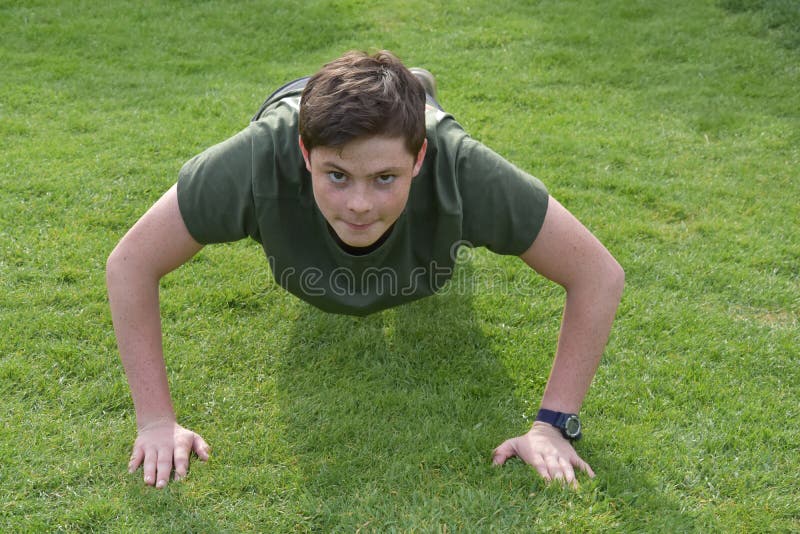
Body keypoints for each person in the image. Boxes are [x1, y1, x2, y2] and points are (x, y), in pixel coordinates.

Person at [106, 50, 624, 490]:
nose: (357, 203)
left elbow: (598, 274)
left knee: (416, 159)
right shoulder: (255, 160)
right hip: (291, 106)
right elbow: (130, 264)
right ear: (305, 155)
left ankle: (419, 93)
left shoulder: (463, 170)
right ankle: (385, 93)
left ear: (418, 160)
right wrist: (155, 421)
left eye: (384, 178)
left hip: (424, 147)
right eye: (337, 175)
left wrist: (554, 425)